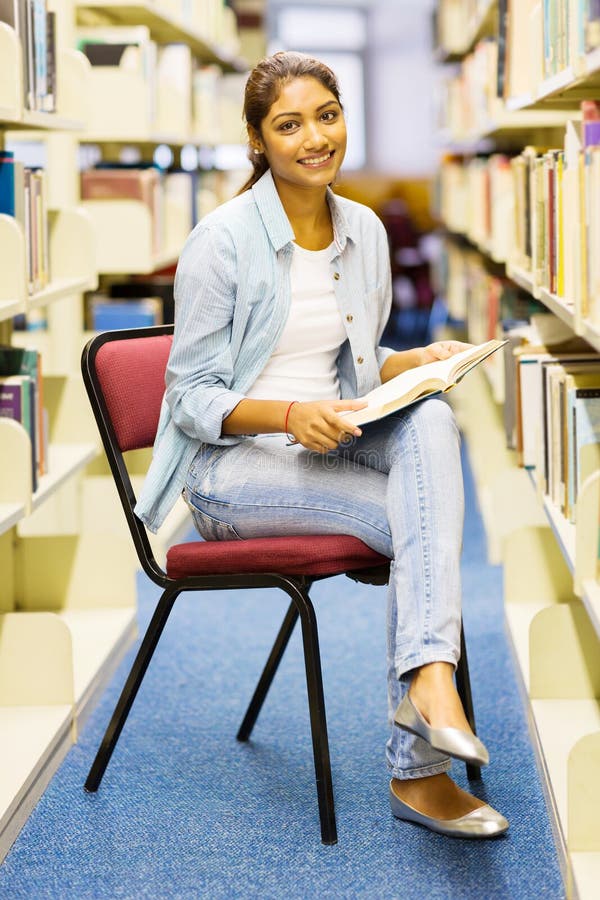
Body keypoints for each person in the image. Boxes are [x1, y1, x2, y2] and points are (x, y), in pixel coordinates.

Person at [135, 51, 508, 839]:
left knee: (433, 421)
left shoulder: (363, 230)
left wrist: (414, 364)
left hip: (328, 438)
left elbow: (357, 366)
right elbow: (189, 398)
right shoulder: (223, 241)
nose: (314, 138)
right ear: (257, 140)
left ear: (345, 116)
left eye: (327, 116)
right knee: (426, 519)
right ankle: (421, 756)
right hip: (230, 474)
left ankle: (427, 684)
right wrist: (284, 413)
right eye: (289, 124)